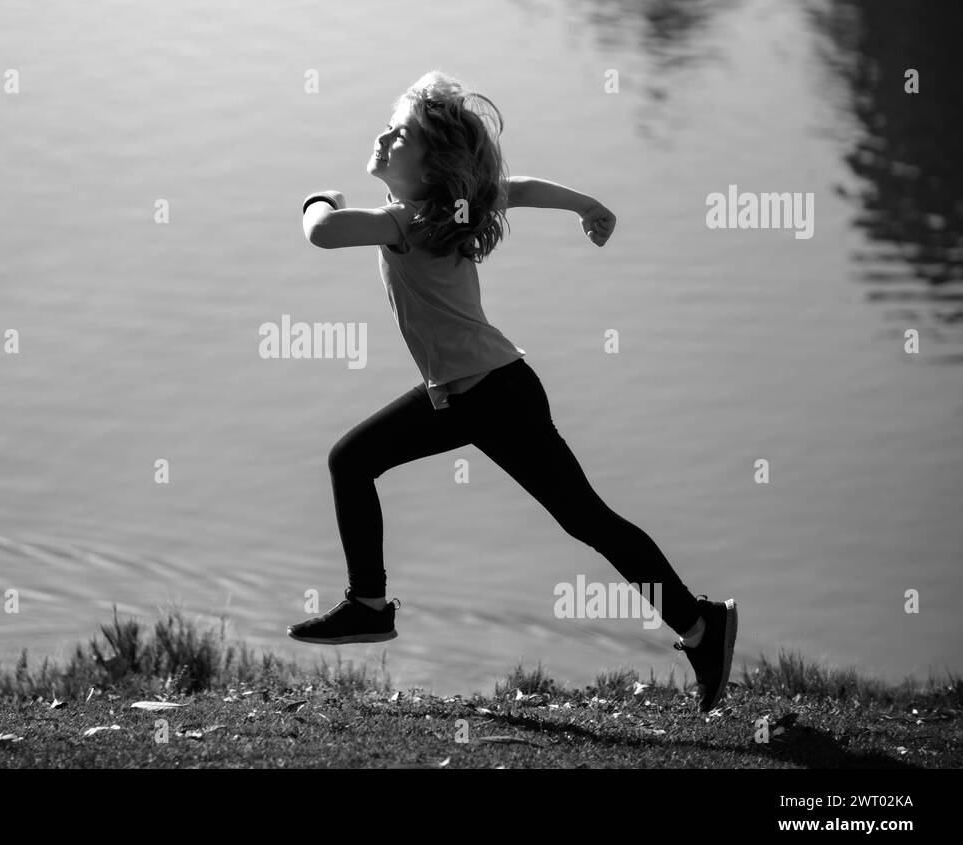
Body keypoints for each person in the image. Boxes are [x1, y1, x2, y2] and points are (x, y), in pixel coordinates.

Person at [288, 71, 737, 712]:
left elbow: (323, 234)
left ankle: (701, 626)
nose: (386, 137)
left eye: (403, 135)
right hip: (475, 393)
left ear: (433, 164)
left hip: (493, 397)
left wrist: (316, 199)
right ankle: (368, 605)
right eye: (390, 127)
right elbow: (517, 188)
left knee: (587, 519)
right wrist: (586, 204)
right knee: (357, 462)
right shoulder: (451, 209)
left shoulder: (407, 221)